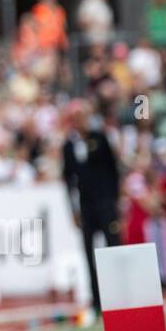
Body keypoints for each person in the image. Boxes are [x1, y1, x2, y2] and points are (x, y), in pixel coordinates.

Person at [61, 99, 122, 316]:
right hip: (86, 206)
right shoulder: (68, 145)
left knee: (114, 247)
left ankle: (119, 295)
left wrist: (116, 201)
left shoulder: (99, 138)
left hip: (105, 202)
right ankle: (97, 301)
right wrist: (73, 209)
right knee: (89, 253)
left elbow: (114, 171)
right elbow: (68, 181)